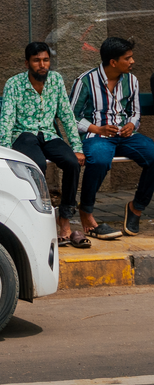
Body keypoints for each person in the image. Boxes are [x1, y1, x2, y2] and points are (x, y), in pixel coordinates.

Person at [0, 42, 88, 247]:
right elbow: (7, 118)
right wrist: (5, 148)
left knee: (72, 163)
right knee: (37, 165)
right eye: (36, 60)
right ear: (27, 63)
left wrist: (77, 147)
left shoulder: (56, 80)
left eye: (45, 60)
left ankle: (64, 219)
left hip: (48, 134)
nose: (42, 64)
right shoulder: (14, 83)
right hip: (24, 134)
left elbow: (66, 115)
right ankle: (41, 218)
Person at [71, 37, 154, 239]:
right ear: (113, 62)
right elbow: (71, 116)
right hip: (96, 135)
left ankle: (136, 208)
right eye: (128, 58)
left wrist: (131, 125)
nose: (132, 61)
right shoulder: (85, 81)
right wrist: (96, 129)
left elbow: (134, 112)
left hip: (125, 136)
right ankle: (86, 211)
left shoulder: (131, 80)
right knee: (99, 160)